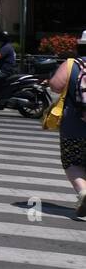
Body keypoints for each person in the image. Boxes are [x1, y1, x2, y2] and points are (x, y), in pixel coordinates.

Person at [47, 53, 86, 218]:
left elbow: (55, 86)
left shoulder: (73, 64)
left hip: (74, 125)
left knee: (72, 162)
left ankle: (83, 192)